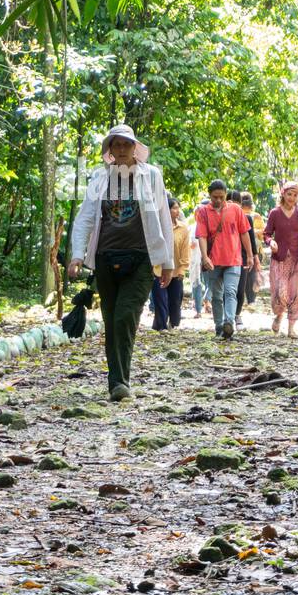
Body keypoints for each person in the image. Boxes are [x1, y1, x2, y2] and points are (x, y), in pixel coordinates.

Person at [68, 125, 175, 401]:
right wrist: (77, 255)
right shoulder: (100, 178)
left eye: (127, 144)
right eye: (117, 145)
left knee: (125, 316)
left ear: (135, 147)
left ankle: (120, 381)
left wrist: (168, 261)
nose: (123, 150)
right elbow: (85, 218)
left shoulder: (151, 175)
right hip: (105, 258)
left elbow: (164, 216)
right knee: (111, 320)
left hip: (140, 258)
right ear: (110, 150)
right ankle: (117, 381)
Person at [262, 181, 298, 338]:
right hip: (279, 258)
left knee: (297, 293)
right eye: (289, 194)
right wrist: (270, 241)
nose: (292, 198)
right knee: (280, 292)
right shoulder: (275, 213)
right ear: (283, 194)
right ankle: (279, 316)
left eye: (295, 195)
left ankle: (291, 328)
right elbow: (266, 233)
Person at [195, 179, 252, 340]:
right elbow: (202, 236)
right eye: (215, 197)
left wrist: (249, 254)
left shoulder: (235, 209)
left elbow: (244, 232)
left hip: (233, 259)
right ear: (210, 195)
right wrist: (205, 256)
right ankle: (219, 326)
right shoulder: (203, 212)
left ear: (226, 195)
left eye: (221, 197)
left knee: (230, 292)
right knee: (217, 296)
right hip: (213, 261)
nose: (218, 200)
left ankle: (229, 322)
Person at [151, 196, 189, 330]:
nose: (177, 211)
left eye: (178, 208)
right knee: (160, 300)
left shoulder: (183, 228)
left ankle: (173, 324)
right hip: (158, 269)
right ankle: (161, 326)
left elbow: (185, 250)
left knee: (175, 300)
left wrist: (182, 269)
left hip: (176, 270)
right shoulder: (157, 227)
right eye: (174, 208)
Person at [234, 191, 263, 327]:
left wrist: (255, 259)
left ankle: (236, 314)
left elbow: (251, 240)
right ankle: (228, 316)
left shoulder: (249, 218)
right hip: (226, 257)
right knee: (228, 289)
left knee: (240, 288)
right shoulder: (220, 217)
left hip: (244, 257)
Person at [188, 202, 209, 317]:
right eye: (197, 213)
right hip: (195, 260)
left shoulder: (210, 226)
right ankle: (198, 309)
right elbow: (189, 244)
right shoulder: (191, 228)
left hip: (208, 259)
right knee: (196, 283)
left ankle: (207, 300)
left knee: (209, 283)